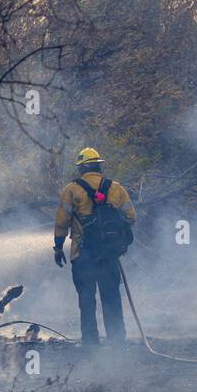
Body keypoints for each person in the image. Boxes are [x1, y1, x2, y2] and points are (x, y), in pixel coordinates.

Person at [53, 147, 137, 348]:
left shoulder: (72, 189)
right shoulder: (116, 188)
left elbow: (61, 222)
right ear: (99, 166)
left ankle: (90, 343)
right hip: (109, 255)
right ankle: (117, 341)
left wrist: (58, 247)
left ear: (81, 169)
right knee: (111, 298)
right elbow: (131, 218)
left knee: (86, 299)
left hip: (82, 254)